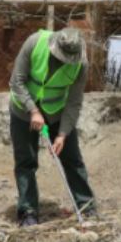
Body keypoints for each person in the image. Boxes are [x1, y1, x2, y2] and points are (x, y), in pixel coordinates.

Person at [8, 26, 96, 226]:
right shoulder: (34, 42)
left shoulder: (81, 64)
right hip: (23, 109)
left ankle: (86, 206)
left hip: (57, 111)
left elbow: (74, 102)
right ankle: (28, 212)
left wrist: (63, 134)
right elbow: (17, 81)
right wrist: (33, 111)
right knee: (26, 162)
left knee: (72, 159)